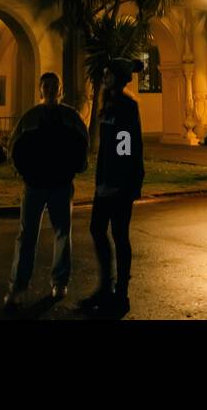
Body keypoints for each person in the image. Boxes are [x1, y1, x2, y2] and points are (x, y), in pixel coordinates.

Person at [4, 72, 89, 307]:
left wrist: (75, 168)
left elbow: (83, 144)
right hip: (34, 185)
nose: (51, 90)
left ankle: (59, 282)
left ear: (60, 90)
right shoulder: (30, 117)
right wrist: (22, 172)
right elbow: (14, 146)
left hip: (61, 184)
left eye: (55, 86)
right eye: (47, 86)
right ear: (41, 90)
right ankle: (18, 287)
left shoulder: (70, 117)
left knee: (62, 233)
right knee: (27, 235)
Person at [81, 57, 145, 318]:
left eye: (108, 74)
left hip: (120, 183)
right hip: (105, 181)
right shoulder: (106, 103)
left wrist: (120, 181)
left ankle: (121, 293)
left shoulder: (127, 105)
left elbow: (126, 145)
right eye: (104, 73)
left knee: (119, 235)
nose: (104, 77)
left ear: (118, 78)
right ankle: (105, 286)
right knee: (97, 229)